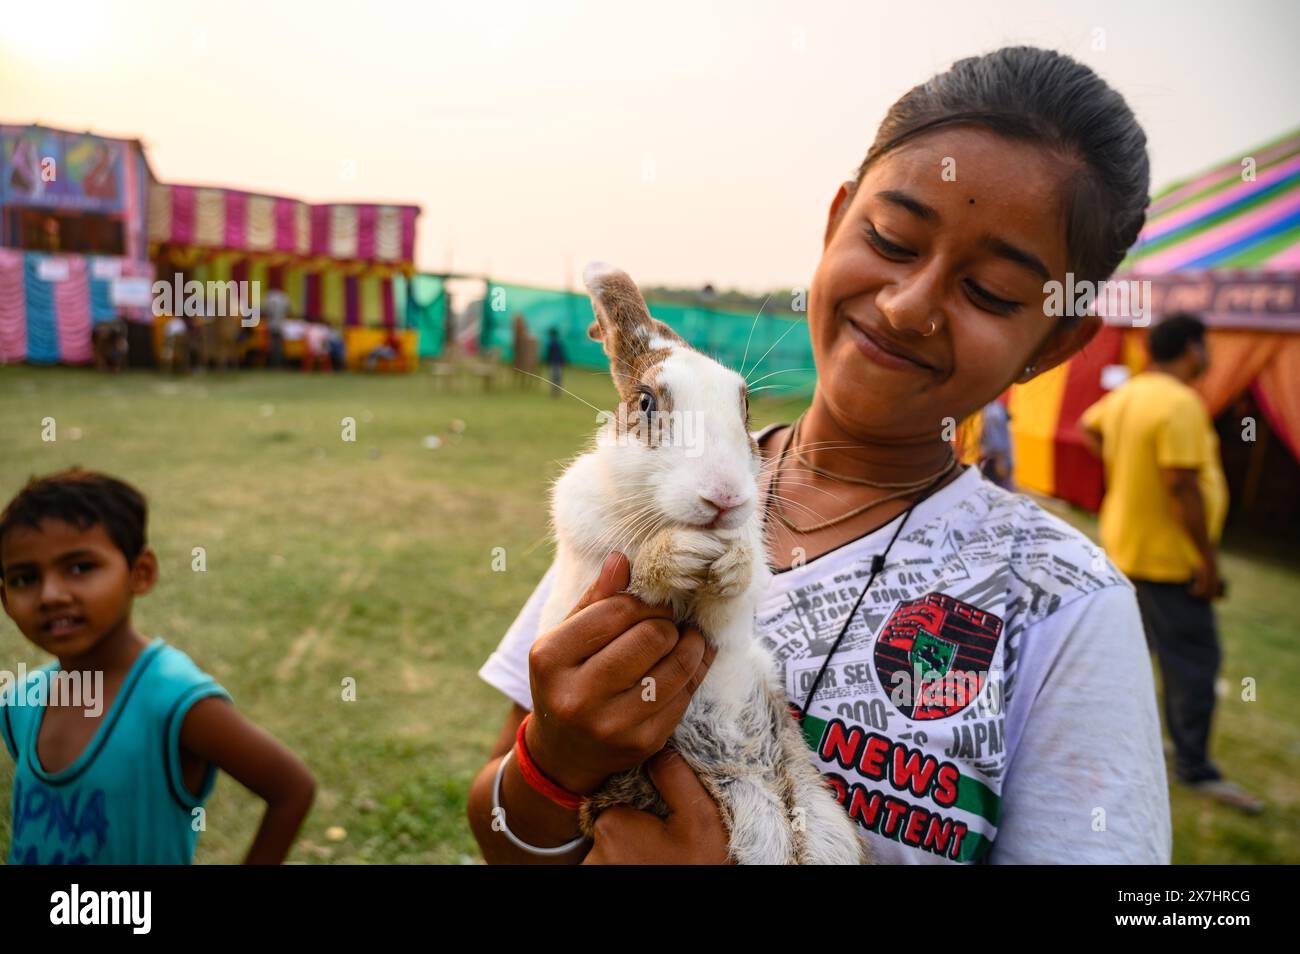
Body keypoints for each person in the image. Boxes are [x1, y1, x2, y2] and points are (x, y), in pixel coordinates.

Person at [466, 46, 1171, 864]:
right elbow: (502, 827)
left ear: (1055, 341)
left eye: (992, 294)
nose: (910, 308)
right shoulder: (647, 497)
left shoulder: (1062, 605)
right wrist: (556, 769)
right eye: (893, 239)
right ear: (836, 220)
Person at [0, 469, 316, 863]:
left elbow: (291, 789)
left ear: (141, 573)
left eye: (79, 568)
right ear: (5, 599)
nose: (50, 595)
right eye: (25, 578)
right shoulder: (21, 702)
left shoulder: (174, 701)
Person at [1079, 314, 1261, 814]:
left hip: (1125, 550)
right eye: (1206, 348)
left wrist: (1124, 475)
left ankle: (1129, 742)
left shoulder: (1130, 394)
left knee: (1134, 657)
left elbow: (1087, 427)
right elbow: (1181, 484)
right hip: (1168, 563)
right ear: (1190, 349)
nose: (1209, 359)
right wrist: (1206, 561)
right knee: (1196, 665)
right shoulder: (1179, 403)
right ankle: (1195, 768)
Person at [978, 399, 1014, 490]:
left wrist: (1000, 462)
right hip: (998, 459)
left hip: (995, 462)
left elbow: (996, 443)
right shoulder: (997, 407)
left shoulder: (991, 413)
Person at [544, 327, 567, 397]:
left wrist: (547, 362)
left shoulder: (551, 343)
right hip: (559, 363)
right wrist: (563, 361)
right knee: (558, 377)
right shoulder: (560, 342)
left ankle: (554, 392)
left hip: (553, 363)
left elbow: (549, 354)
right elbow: (563, 353)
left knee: (553, 377)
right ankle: (557, 391)